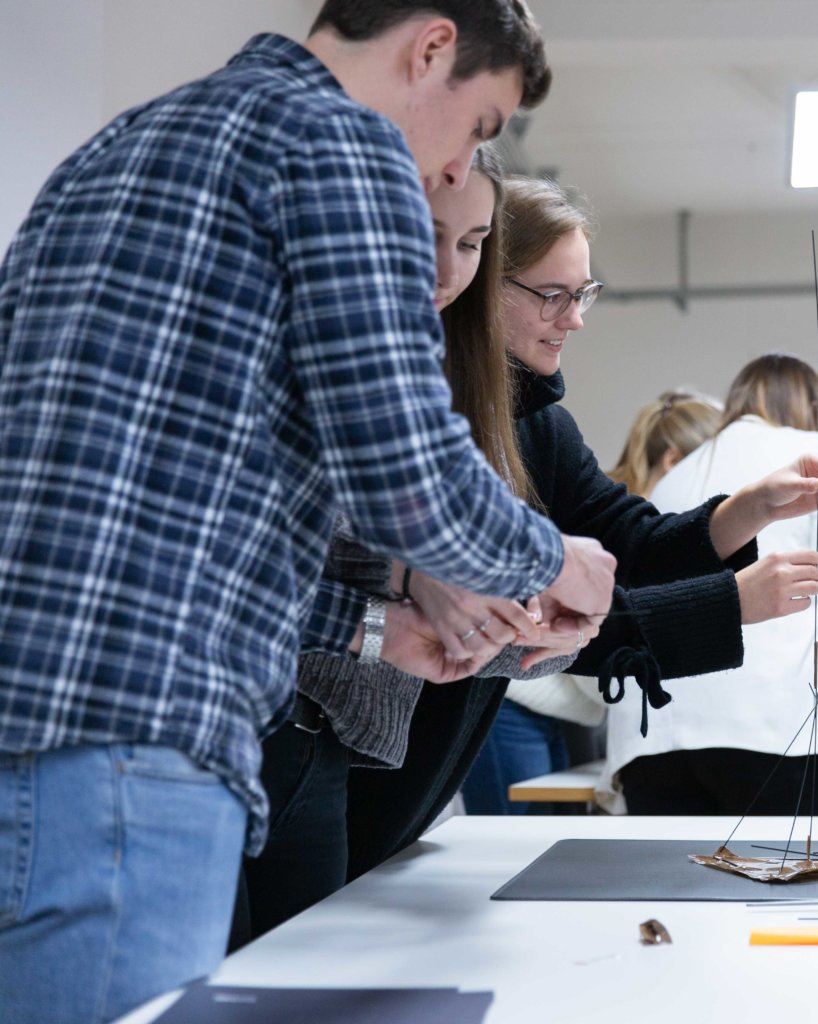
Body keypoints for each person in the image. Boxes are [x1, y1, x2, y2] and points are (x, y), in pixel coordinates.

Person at [0, 5, 621, 1021]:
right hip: (139, 749)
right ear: (430, 50)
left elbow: (162, 529)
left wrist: (376, 628)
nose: (455, 166)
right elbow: (406, 469)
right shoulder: (342, 145)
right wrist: (550, 559)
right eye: (477, 127)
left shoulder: (118, 146)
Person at [232, 147, 585, 949]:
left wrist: (535, 623)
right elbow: (262, 563)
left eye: (470, 243)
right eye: (428, 232)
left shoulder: (455, 387)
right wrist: (419, 603)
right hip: (261, 725)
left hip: (328, 747)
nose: (447, 267)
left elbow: (450, 596)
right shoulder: (328, 350)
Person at [445, 176, 818, 816]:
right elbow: (547, 626)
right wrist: (729, 604)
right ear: (475, 279)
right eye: (553, 296)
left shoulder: (537, 422)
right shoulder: (443, 419)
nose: (574, 319)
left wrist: (751, 508)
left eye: (583, 295)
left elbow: (627, 540)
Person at [606, 354, 818, 815]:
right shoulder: (813, 451)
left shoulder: (677, 473)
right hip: (773, 729)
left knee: (672, 886)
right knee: (788, 887)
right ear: (813, 408)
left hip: (656, 735)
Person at [459, 389, 724, 814]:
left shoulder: (629, 520)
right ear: (674, 460)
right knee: (516, 848)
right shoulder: (609, 525)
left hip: (562, 706)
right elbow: (596, 654)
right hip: (513, 697)